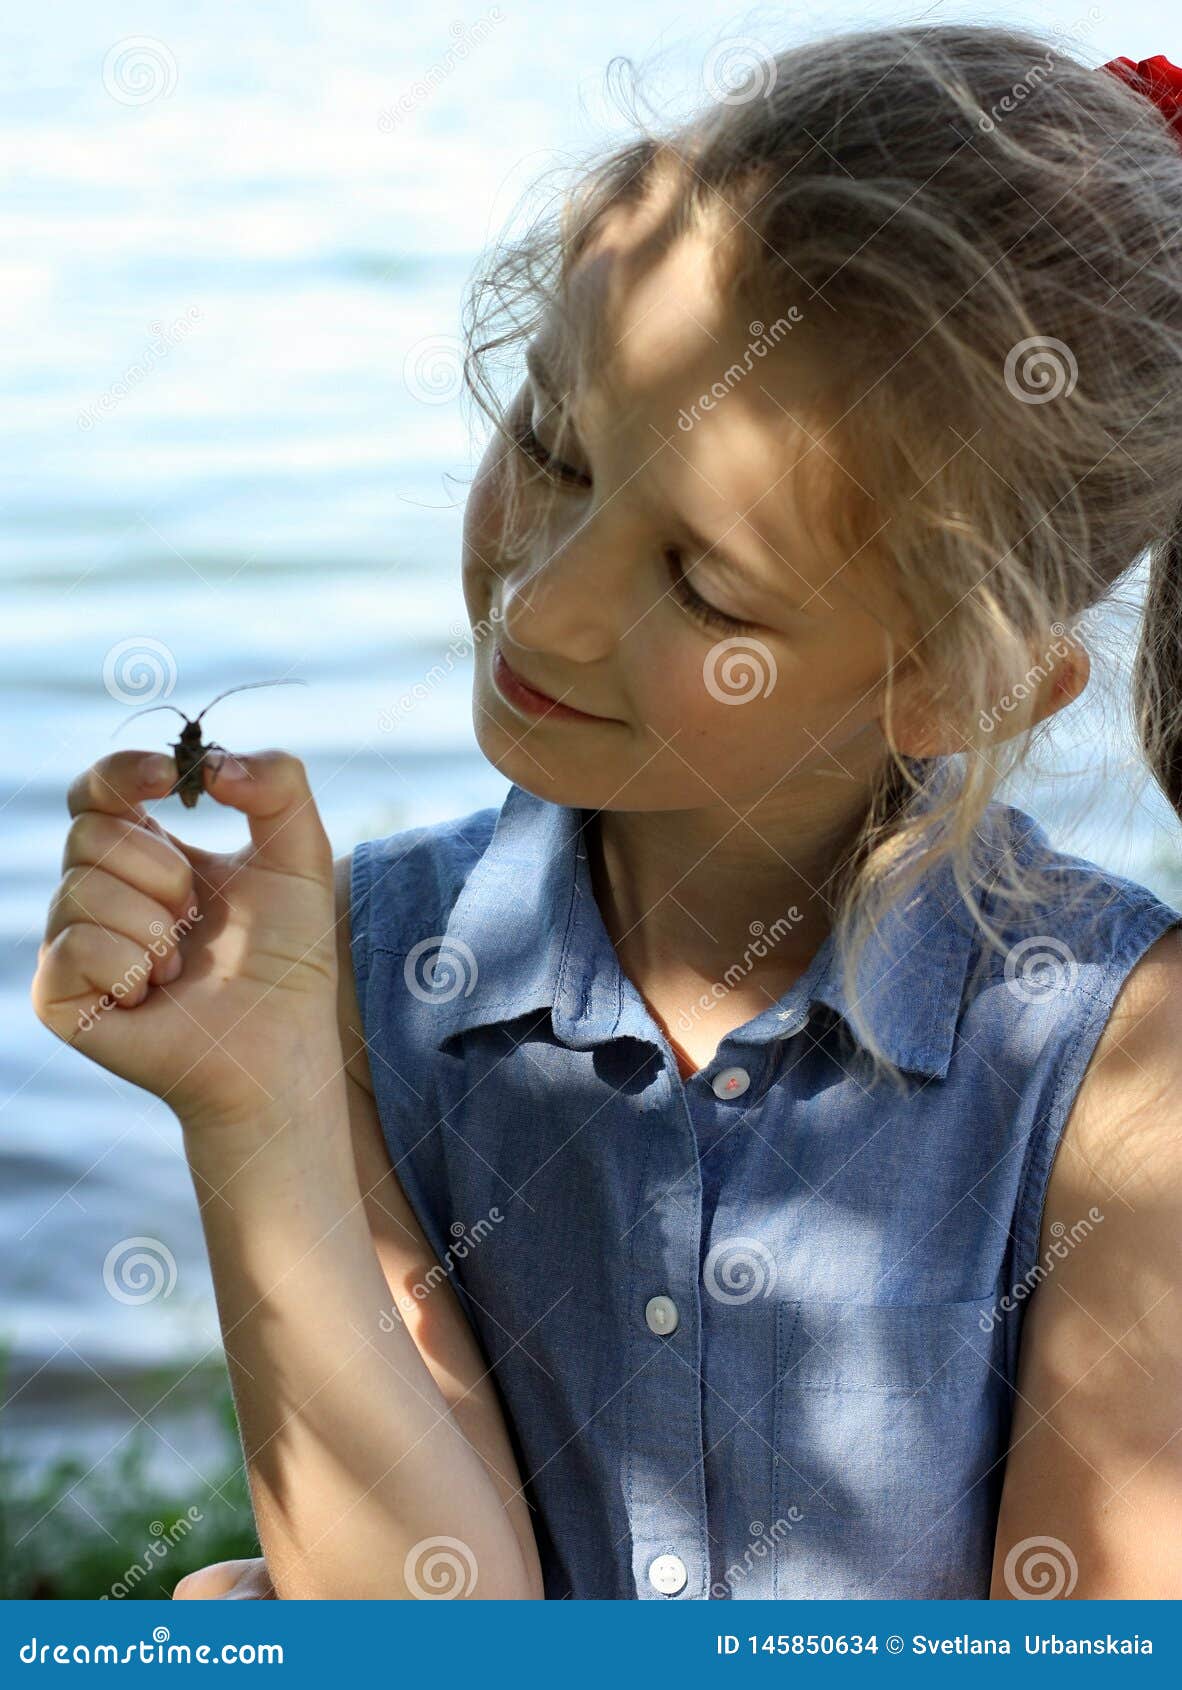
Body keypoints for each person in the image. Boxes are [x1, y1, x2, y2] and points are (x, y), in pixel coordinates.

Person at [32, 22, 1182, 1599]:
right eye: (553, 450)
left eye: (703, 586)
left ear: (958, 683)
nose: (547, 606)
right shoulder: (358, 974)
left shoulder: (1123, 1065)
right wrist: (259, 1111)